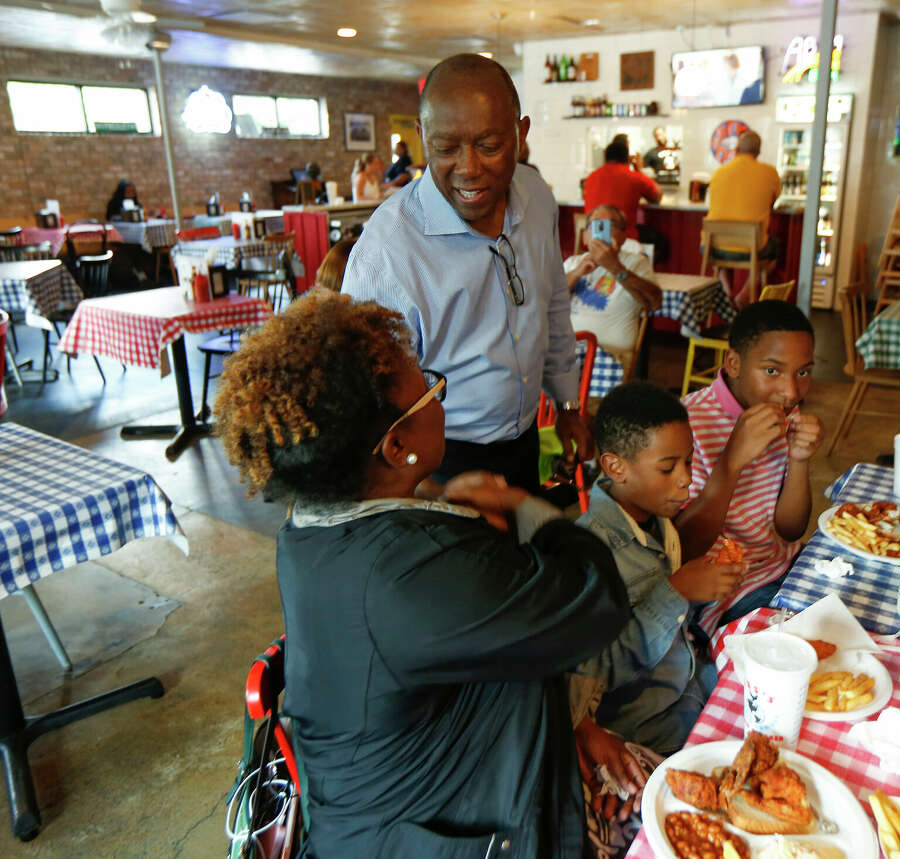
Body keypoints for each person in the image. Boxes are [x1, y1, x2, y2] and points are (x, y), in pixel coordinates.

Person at [211, 290, 630, 857]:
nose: (440, 397)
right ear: (396, 445)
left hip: (364, 811)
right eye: (431, 388)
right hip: (428, 837)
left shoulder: (307, 529)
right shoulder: (416, 571)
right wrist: (520, 506)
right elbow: (595, 598)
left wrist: (429, 496)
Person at [341, 54, 588, 494]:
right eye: (445, 148)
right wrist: (432, 494)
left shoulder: (535, 196)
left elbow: (551, 303)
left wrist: (568, 402)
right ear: (421, 138)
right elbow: (365, 409)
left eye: (490, 146)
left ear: (520, 134)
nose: (469, 168)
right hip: (437, 464)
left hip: (526, 437)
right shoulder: (387, 254)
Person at [576, 381, 744, 754]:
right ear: (615, 467)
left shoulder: (657, 521)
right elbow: (598, 673)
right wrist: (677, 592)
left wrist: (707, 585)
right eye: (668, 468)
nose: (685, 478)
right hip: (644, 727)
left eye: (688, 461)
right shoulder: (587, 554)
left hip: (688, 685)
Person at [675, 300, 823, 637]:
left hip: (781, 566)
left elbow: (789, 530)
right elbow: (682, 550)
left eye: (803, 372)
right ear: (734, 363)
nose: (790, 391)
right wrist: (731, 462)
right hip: (723, 590)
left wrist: (799, 460)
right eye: (772, 370)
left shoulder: (785, 413)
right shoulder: (686, 424)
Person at [565, 205, 661, 369]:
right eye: (596, 225)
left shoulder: (636, 263)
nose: (603, 230)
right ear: (585, 237)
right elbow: (547, 301)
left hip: (611, 357)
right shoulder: (573, 263)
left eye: (612, 225)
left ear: (624, 236)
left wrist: (615, 267)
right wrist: (576, 273)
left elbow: (654, 303)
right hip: (568, 352)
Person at [704, 130, 782, 307]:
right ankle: (745, 295)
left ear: (736, 150)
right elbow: (772, 202)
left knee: (722, 251)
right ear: (758, 152)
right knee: (775, 248)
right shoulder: (770, 173)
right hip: (751, 246)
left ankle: (726, 292)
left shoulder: (719, 172)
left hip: (714, 245)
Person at [584, 135, 661, 241]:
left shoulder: (591, 177)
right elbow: (657, 197)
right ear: (627, 158)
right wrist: (639, 170)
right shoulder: (634, 177)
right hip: (624, 238)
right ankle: (640, 257)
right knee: (660, 241)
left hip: (594, 236)